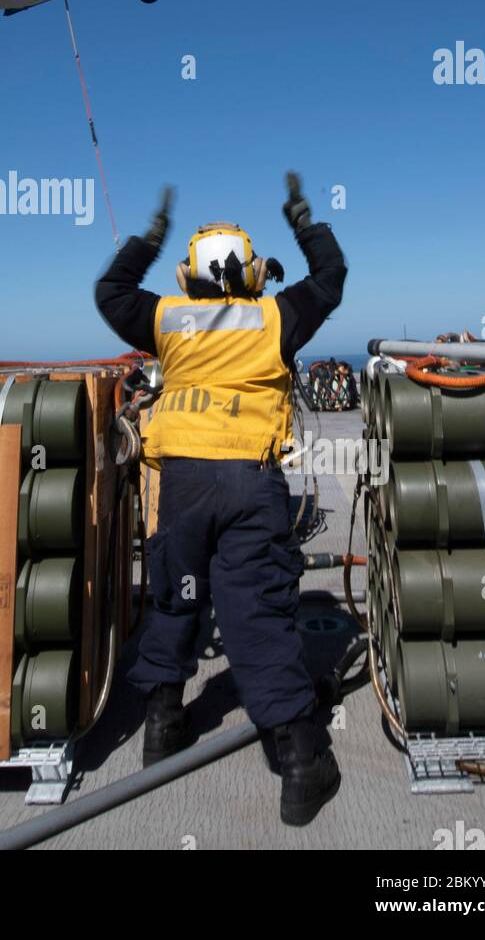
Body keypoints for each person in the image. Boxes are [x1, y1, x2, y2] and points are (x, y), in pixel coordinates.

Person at [94, 174, 347, 826]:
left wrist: (147, 240)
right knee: (255, 616)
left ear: (188, 274)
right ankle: (299, 767)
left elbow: (111, 292)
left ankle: (163, 727)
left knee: (174, 599)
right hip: (249, 483)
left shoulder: (169, 319)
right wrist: (303, 219)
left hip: (180, 482)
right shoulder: (275, 316)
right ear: (255, 270)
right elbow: (331, 274)